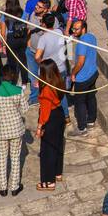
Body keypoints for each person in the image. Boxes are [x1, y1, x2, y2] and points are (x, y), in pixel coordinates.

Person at [0, 61, 29, 197]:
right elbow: (25, 109)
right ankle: (15, 187)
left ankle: (2, 187)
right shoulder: (18, 91)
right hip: (16, 129)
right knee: (16, 158)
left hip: (1, 131)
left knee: (2, 158)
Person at [35, 58, 66, 190]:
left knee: (47, 151)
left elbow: (45, 112)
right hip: (59, 114)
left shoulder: (47, 90)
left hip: (51, 118)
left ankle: (48, 181)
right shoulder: (58, 81)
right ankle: (57, 173)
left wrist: (39, 127)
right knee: (58, 145)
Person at [34, 12, 70, 118]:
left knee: (47, 94)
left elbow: (37, 56)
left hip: (49, 71)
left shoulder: (43, 38)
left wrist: (43, 63)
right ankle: (66, 116)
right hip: (61, 68)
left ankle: (49, 116)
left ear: (44, 24)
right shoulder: (59, 32)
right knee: (61, 94)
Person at [69, 19, 99, 134]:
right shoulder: (92, 37)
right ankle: (91, 120)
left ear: (83, 29)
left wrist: (73, 73)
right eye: (73, 28)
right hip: (93, 73)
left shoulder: (81, 43)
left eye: (76, 29)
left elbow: (80, 62)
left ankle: (82, 128)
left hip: (83, 78)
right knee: (91, 96)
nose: (74, 31)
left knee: (79, 102)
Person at [25, 0, 51, 105]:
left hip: (44, 54)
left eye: (39, 7)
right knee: (32, 75)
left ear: (45, 9)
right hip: (31, 51)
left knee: (46, 76)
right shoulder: (32, 15)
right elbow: (29, 29)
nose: (36, 7)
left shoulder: (50, 20)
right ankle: (34, 97)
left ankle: (47, 97)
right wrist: (28, 44)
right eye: (37, 5)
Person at [2, 0, 31, 79]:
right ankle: (25, 81)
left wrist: (4, 45)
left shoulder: (5, 15)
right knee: (23, 60)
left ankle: (13, 80)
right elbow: (27, 27)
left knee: (12, 62)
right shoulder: (24, 13)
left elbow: (3, 33)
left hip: (11, 39)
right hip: (22, 38)